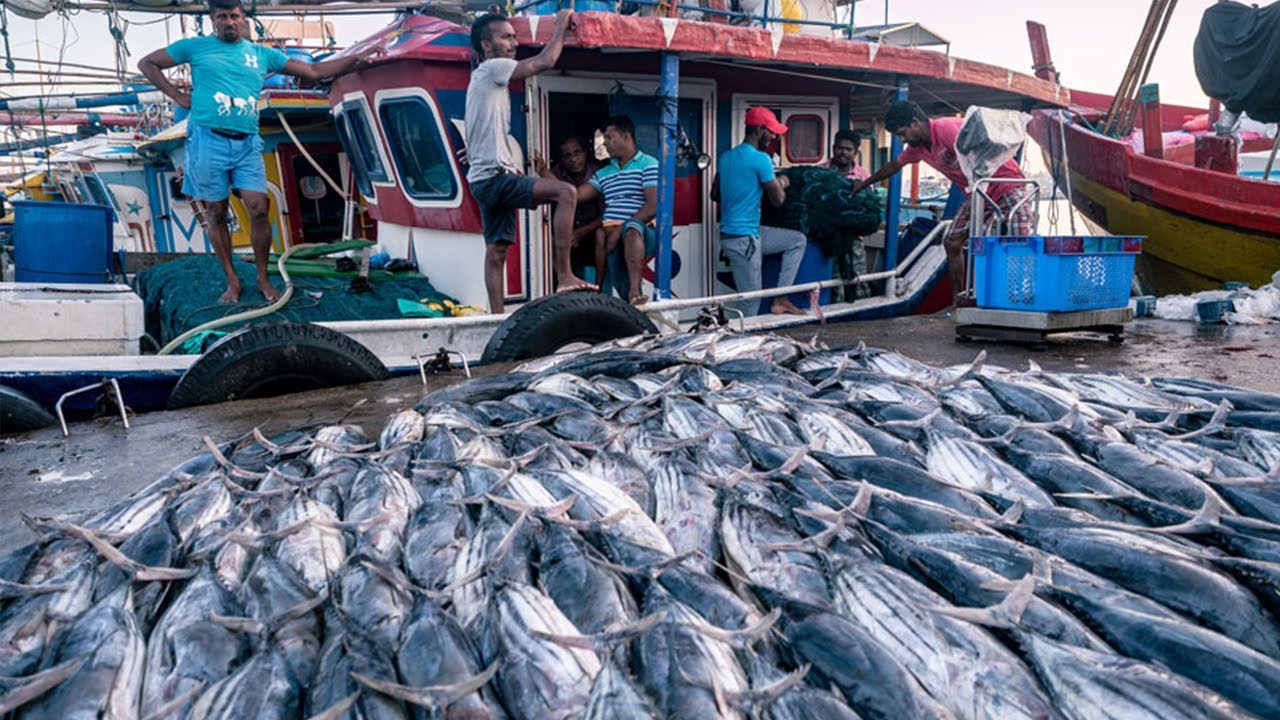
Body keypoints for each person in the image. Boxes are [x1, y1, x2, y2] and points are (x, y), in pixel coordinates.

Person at [138, 0, 374, 304]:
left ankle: (262, 279)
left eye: (234, 16)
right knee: (216, 212)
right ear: (213, 20)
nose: (229, 22)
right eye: (222, 17)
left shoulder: (261, 54)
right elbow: (147, 63)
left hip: (247, 142)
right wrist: (176, 95)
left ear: (243, 19)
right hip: (208, 140)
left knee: (259, 208)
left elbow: (313, 70)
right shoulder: (194, 47)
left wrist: (356, 59)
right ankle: (232, 281)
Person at [466, 10, 594, 314]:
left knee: (496, 251)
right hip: (494, 179)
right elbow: (544, 62)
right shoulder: (492, 68)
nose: (513, 43)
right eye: (506, 37)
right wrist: (560, 27)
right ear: (486, 45)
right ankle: (564, 275)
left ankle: (496, 319)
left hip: (481, 179)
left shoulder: (480, 80)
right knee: (567, 193)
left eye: (514, 36)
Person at [853, 100, 1032, 307]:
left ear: (915, 123)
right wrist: (865, 184)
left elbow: (983, 154)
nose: (903, 140)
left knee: (1022, 243)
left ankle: (1023, 298)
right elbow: (895, 165)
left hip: (1007, 185)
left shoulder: (947, 129)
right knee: (952, 241)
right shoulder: (918, 148)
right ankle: (959, 299)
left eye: (903, 134)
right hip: (978, 193)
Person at [541, 116, 657, 306]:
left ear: (626, 137)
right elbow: (575, 195)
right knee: (601, 235)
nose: (605, 143)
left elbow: (653, 206)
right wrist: (545, 174)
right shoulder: (604, 172)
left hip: (641, 232)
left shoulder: (649, 164)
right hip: (611, 236)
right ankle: (603, 291)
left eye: (610, 138)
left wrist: (620, 229)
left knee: (632, 229)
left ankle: (636, 291)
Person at [711, 107, 808, 317]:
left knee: (797, 240)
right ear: (758, 130)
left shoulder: (726, 157)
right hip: (744, 240)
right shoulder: (761, 159)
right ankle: (743, 345)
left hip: (740, 235)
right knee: (750, 303)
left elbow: (715, 195)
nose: (774, 136)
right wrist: (781, 181)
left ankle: (781, 298)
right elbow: (778, 200)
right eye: (771, 131)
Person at [537, 136, 605, 286]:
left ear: (585, 152)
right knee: (551, 241)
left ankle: (599, 288)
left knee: (601, 236)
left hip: (592, 228)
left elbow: (606, 215)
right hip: (568, 229)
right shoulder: (557, 173)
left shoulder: (599, 172)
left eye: (577, 153)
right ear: (560, 159)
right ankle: (565, 283)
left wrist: (580, 233)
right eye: (567, 156)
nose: (574, 160)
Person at [824, 129, 871, 302]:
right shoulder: (820, 171)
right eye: (840, 148)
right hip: (827, 238)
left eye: (848, 149)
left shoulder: (863, 176)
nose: (843, 152)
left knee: (857, 279)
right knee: (831, 280)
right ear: (833, 148)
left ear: (855, 152)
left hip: (853, 239)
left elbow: (868, 207)